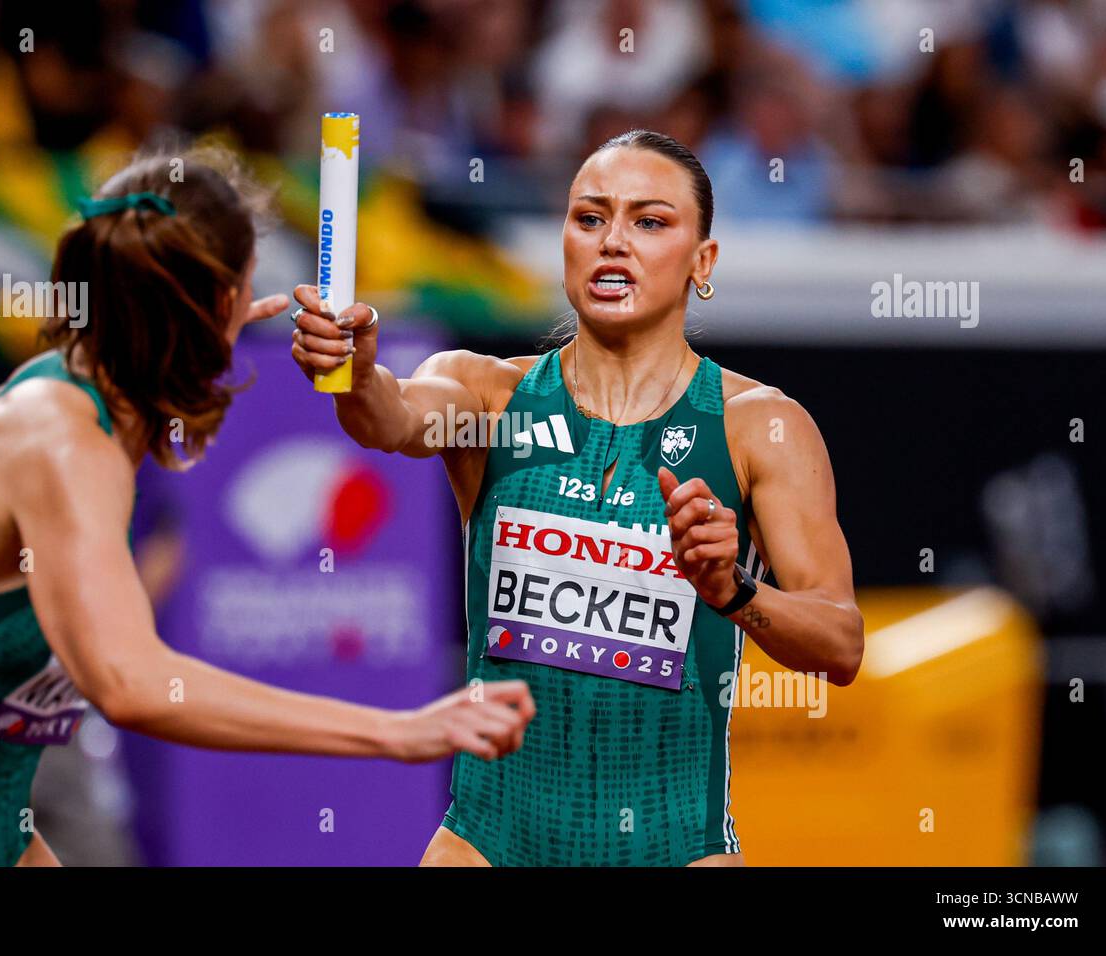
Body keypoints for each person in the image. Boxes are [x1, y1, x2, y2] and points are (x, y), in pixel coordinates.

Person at [0, 147, 534, 868]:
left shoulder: (93, 413)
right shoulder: (59, 440)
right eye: (243, 299)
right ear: (225, 302)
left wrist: (206, 344)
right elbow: (132, 685)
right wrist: (397, 732)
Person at [288, 129, 863, 866]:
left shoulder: (763, 428)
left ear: (703, 261)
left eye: (649, 222)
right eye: (590, 218)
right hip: (486, 847)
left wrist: (732, 590)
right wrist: (358, 373)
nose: (613, 242)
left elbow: (839, 643)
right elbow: (391, 417)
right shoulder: (488, 395)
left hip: (678, 849)